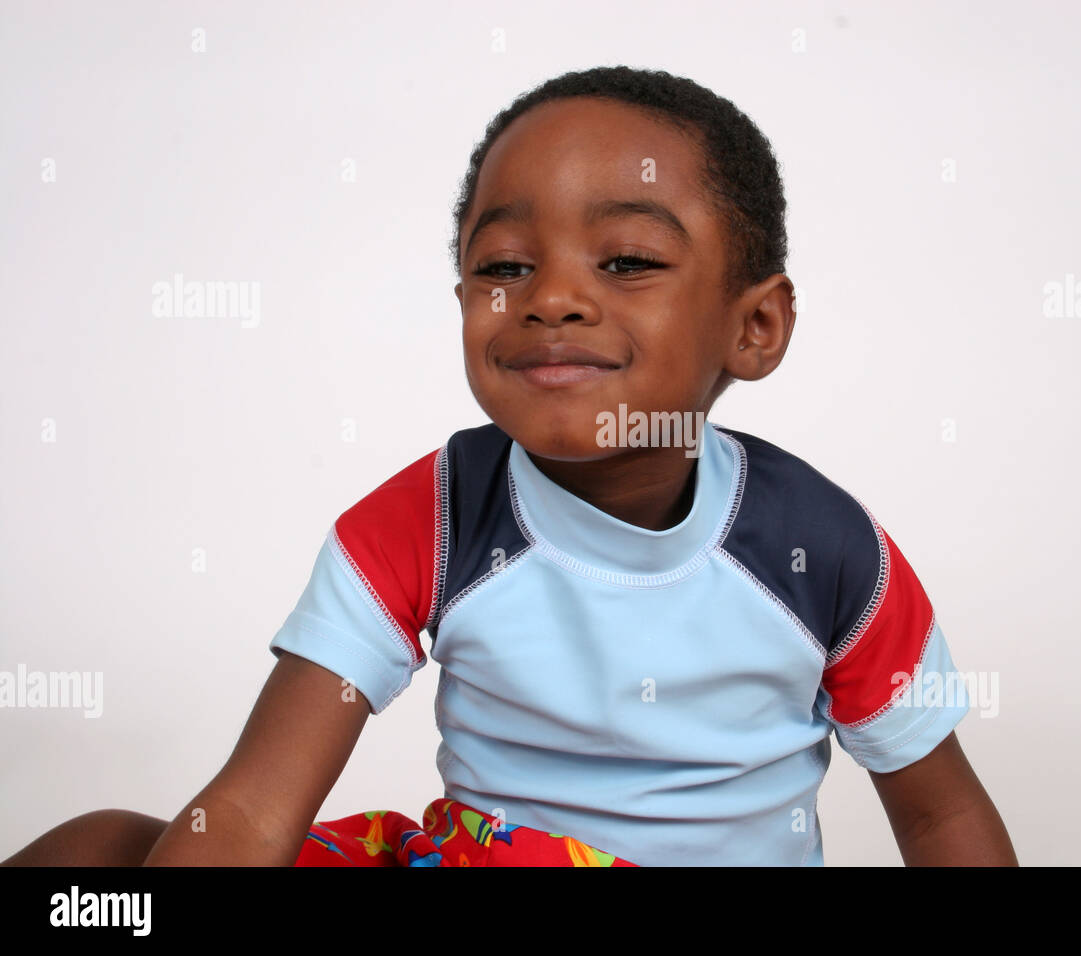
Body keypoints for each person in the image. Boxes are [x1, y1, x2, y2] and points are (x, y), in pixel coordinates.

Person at [2, 65, 1016, 867]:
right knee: (100, 853)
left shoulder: (824, 550)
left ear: (753, 326)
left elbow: (940, 820)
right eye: (504, 267)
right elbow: (257, 803)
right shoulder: (428, 520)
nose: (554, 298)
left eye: (625, 261)